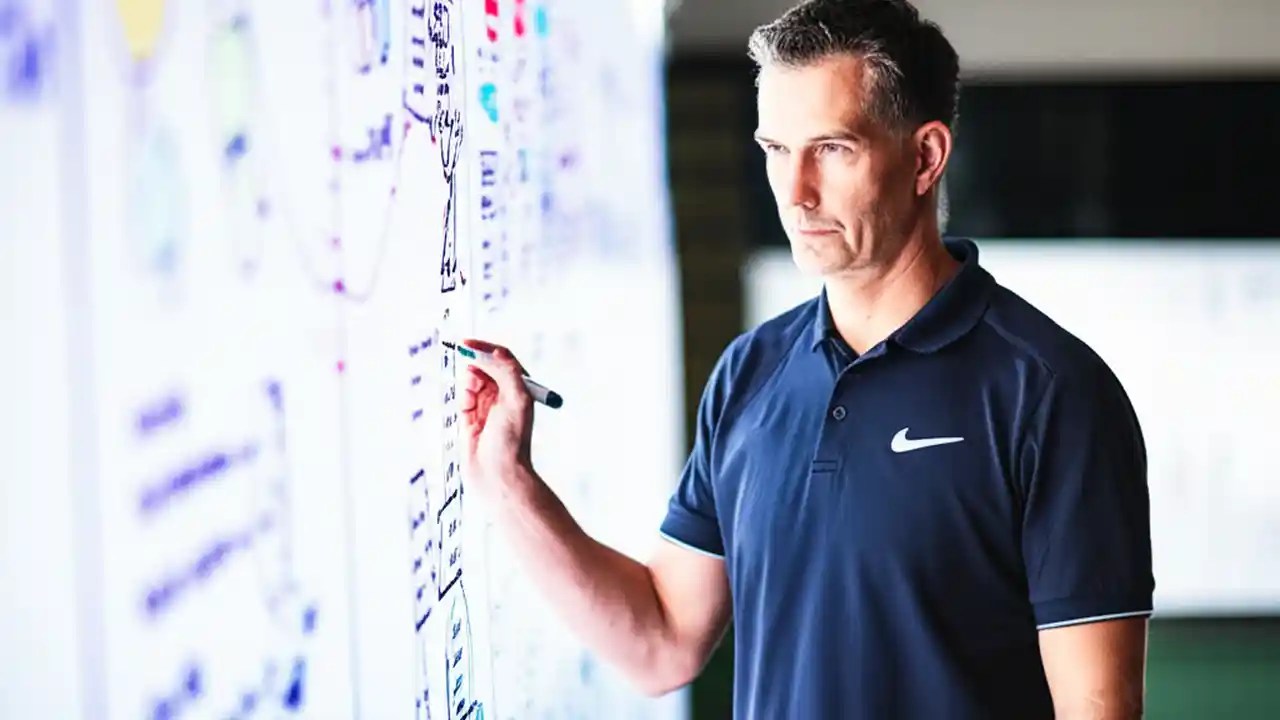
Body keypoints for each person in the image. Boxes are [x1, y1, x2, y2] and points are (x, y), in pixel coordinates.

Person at [460, 0, 1154, 717]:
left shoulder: (1050, 392)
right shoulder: (749, 374)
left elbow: (1097, 710)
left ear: (925, 157)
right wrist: (511, 484)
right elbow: (660, 643)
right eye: (776, 151)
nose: (796, 194)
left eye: (833, 149)